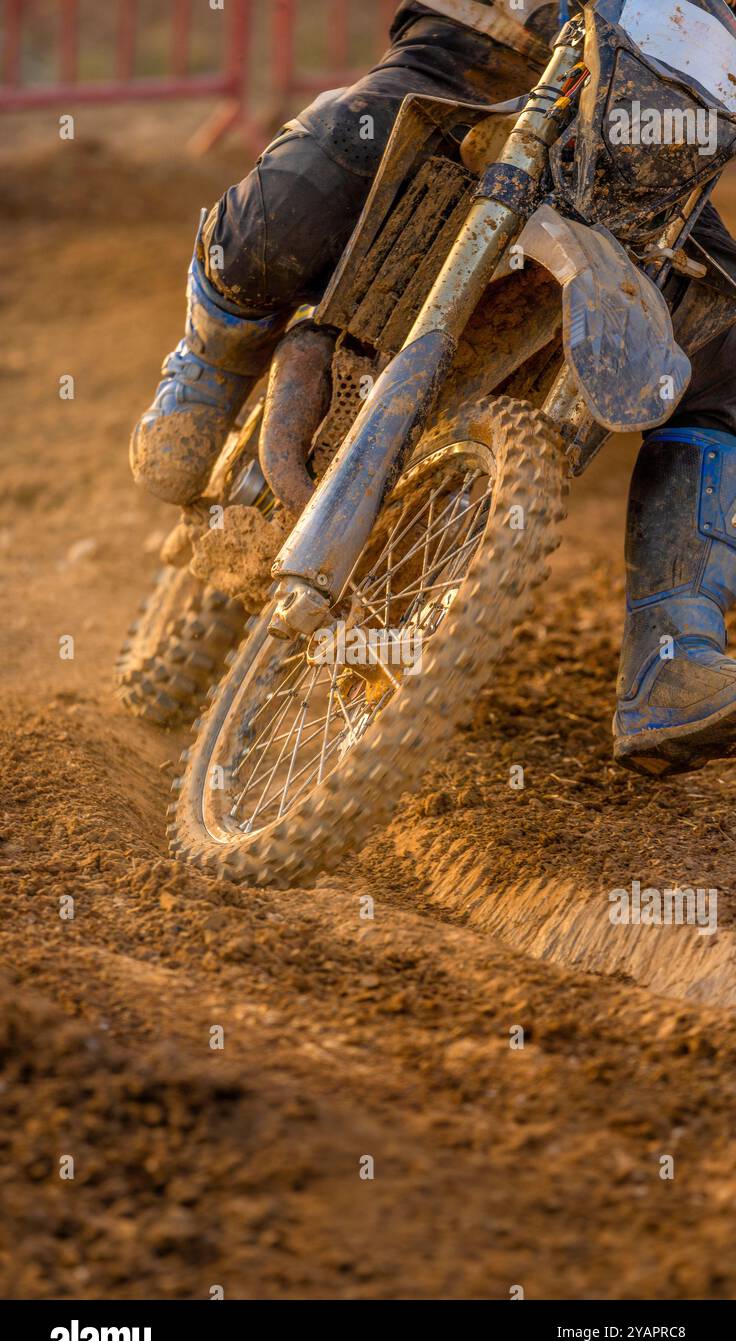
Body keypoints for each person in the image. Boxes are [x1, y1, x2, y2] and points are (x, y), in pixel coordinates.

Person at [130, 0, 736, 777]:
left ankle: (670, 653)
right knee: (306, 187)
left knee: (721, 344)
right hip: (490, 47)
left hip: (652, 131)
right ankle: (205, 369)